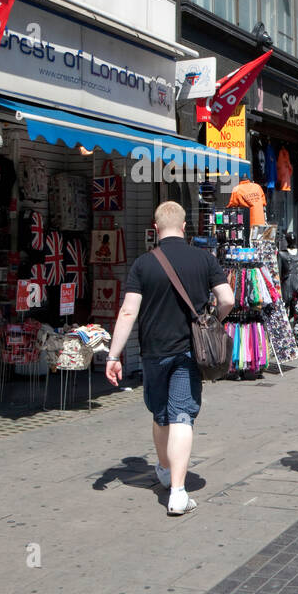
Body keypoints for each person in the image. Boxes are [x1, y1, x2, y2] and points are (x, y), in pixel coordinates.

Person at [105, 201, 235, 516]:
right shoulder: (204, 259)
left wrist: (114, 354)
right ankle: (178, 492)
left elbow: (128, 311)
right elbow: (228, 298)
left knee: (160, 413)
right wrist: (213, 320)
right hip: (190, 351)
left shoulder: (143, 264)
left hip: (152, 352)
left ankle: (164, 469)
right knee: (182, 416)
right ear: (184, 227)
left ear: (155, 227)